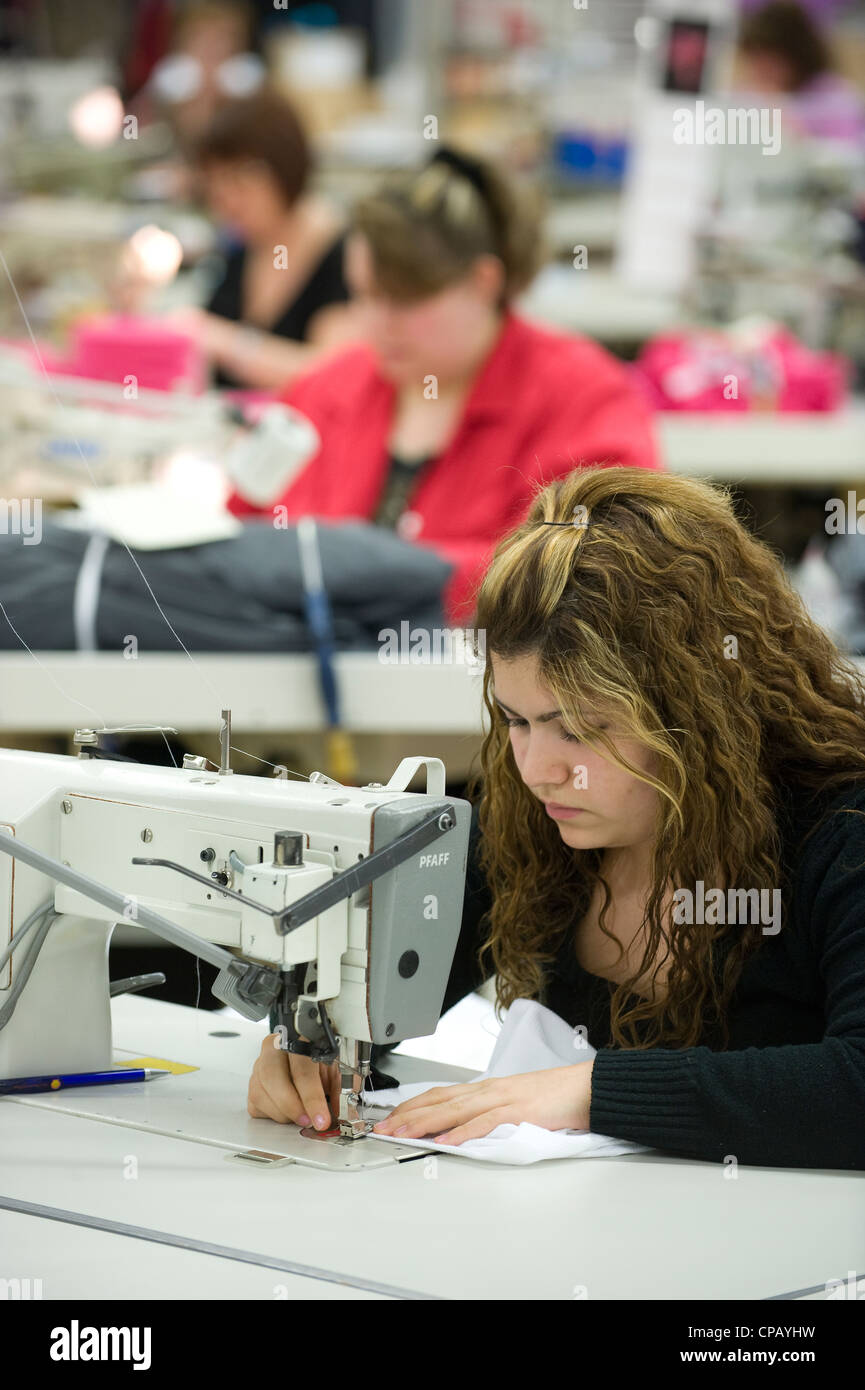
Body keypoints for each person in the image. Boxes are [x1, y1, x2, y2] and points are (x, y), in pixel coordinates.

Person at [248, 466, 865, 1171]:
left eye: (578, 729)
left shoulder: (842, 834)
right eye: (515, 720)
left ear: (700, 711)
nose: (535, 767)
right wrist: (307, 1047)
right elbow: (385, 994)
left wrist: (589, 1090)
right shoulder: (530, 827)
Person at [226, 146, 660, 623]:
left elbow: (602, 577)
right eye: (364, 295)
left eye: (404, 301)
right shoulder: (321, 390)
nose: (378, 324)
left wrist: (368, 576)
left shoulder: (585, 399)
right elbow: (229, 535)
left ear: (484, 282)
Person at [178, 89, 360, 389]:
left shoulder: (340, 254)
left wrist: (227, 343)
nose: (226, 201)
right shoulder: (241, 248)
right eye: (215, 185)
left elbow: (334, 374)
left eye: (240, 180)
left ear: (284, 166)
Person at [737, 1, 865, 143]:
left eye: (769, 62)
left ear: (795, 57)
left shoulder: (835, 99)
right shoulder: (749, 96)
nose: (760, 71)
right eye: (755, 61)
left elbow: (846, 154)